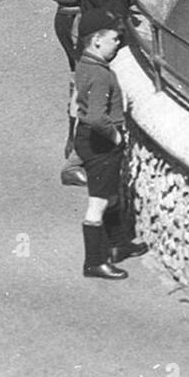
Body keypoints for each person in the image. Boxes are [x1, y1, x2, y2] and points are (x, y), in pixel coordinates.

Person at [74, 26, 146, 280]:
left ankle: (118, 245)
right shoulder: (101, 75)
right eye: (113, 40)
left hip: (87, 139)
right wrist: (116, 137)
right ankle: (94, 262)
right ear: (96, 40)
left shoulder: (85, 64)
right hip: (101, 144)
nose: (117, 44)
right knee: (99, 203)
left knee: (111, 195)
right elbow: (96, 117)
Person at [51, 0, 91, 154]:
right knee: (80, 76)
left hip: (76, 17)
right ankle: (74, 142)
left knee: (81, 75)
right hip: (70, 20)